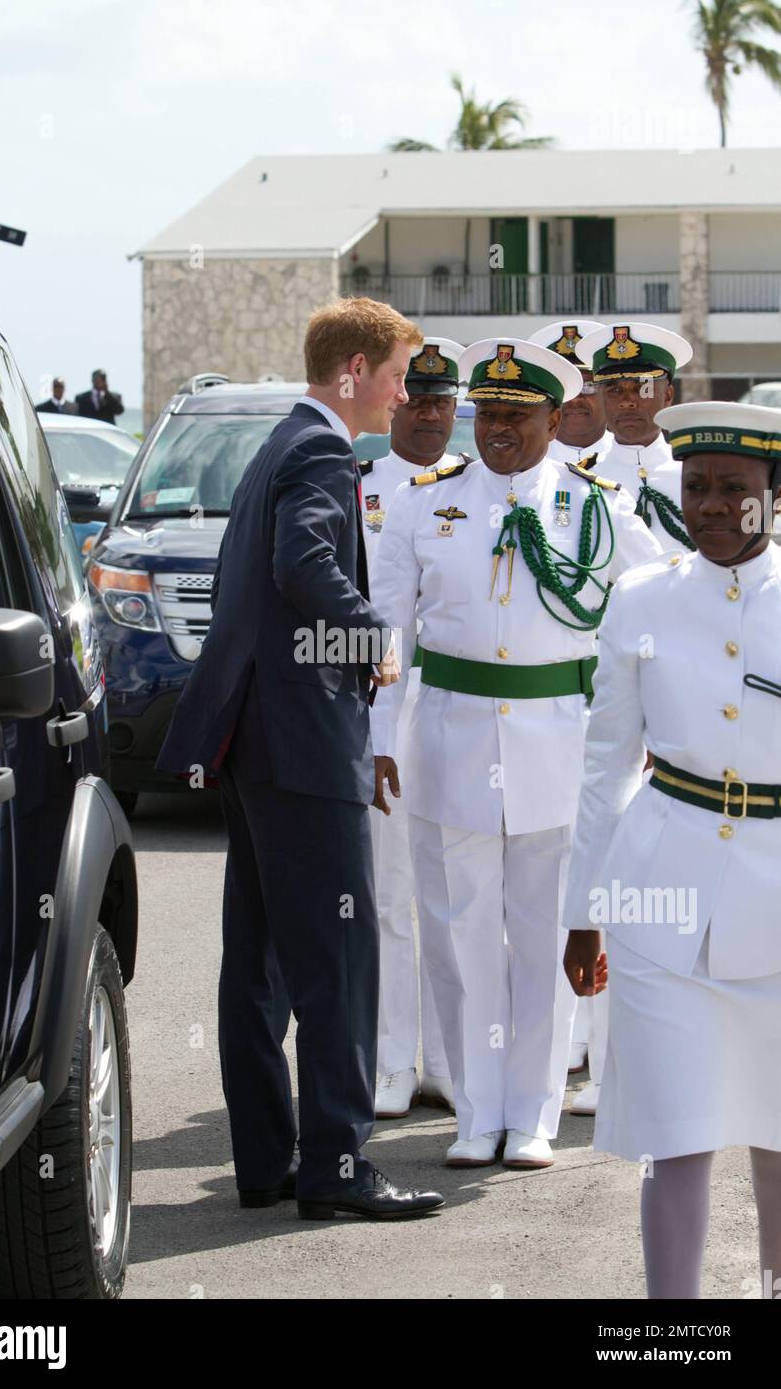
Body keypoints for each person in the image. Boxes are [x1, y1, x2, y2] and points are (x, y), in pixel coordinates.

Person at [154, 297, 445, 1222]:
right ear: (353, 370)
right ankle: (337, 1166)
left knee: (263, 957)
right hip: (302, 739)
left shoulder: (281, 441)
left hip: (255, 742)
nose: (404, 396)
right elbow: (302, 563)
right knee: (340, 956)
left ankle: (265, 1160)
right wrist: (372, 634)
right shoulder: (320, 448)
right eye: (398, 374)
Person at [370, 338, 662, 1171]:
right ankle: (476, 1109)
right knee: (459, 936)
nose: (498, 429)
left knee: (544, 935)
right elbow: (388, 627)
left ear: (550, 418)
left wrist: (649, 731)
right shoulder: (429, 502)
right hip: (450, 739)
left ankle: (531, 1114)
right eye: (487, 412)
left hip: (560, 746)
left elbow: (656, 608)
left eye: (517, 415)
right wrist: (379, 735)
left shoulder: (597, 506)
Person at [563, 400, 781, 1300]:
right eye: (698, 488)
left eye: (736, 489)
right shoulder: (639, 600)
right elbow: (604, 764)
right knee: (676, 1133)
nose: (714, 506)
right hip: (662, 892)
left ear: (774, 495)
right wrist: (582, 914)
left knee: (777, 1135)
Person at [359, 338, 460, 1120]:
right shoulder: (358, 486)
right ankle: (394, 1058)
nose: (429, 412)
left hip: (459, 703)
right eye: (416, 399)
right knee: (390, 893)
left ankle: (454, 1063)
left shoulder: (473, 488)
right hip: (384, 698)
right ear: (396, 403)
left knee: (455, 895)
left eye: (442, 401)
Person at [575, 322, 693, 554]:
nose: (627, 401)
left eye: (642, 388)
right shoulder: (584, 480)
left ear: (668, 395)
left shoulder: (693, 471)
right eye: (614, 390)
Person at [528, 320, 614, 470]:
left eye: (588, 386)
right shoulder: (523, 466)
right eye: (566, 388)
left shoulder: (636, 463)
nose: (575, 399)